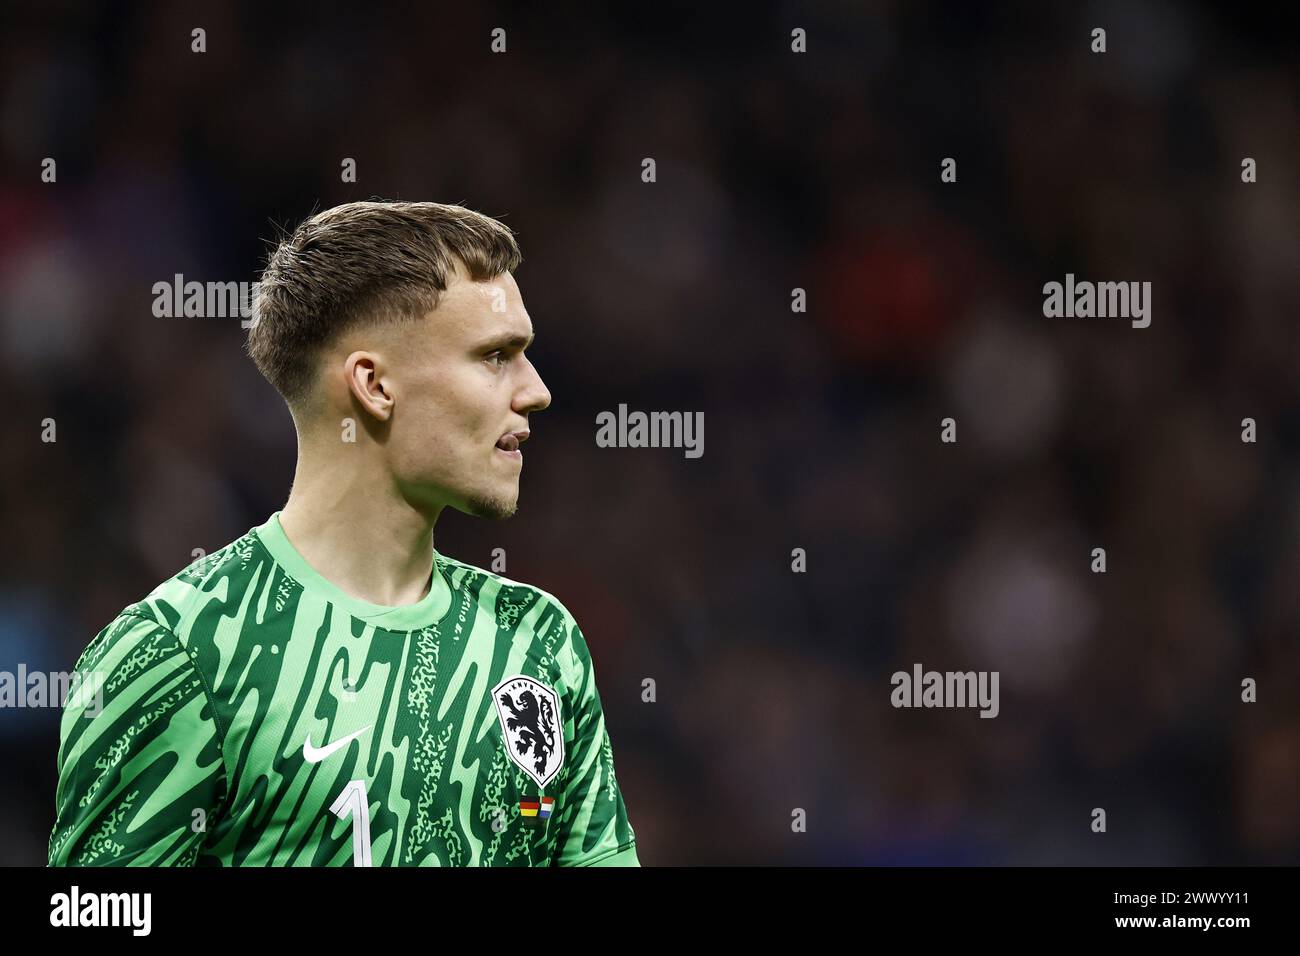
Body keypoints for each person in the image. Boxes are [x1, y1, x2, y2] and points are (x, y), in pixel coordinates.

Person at [49, 201, 639, 866]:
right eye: (496, 356)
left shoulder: (539, 640)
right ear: (374, 384)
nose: (536, 392)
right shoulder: (182, 652)